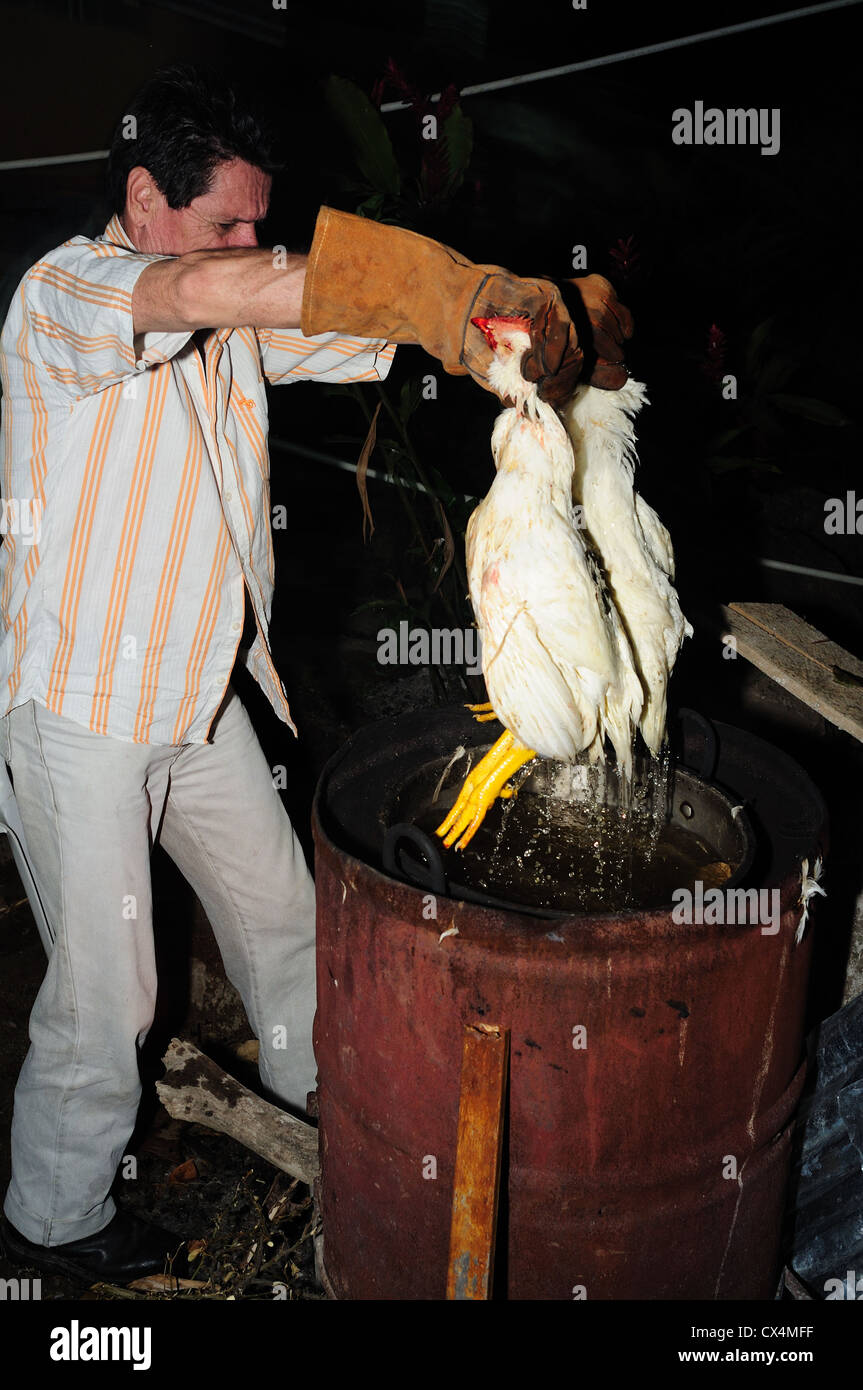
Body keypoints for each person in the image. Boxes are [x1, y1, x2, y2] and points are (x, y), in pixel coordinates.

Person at [0, 65, 632, 1285]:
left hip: (193, 699)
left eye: (260, 222)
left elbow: (347, 318)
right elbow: (200, 285)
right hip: (76, 713)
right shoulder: (65, 296)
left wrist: (514, 322)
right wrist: (436, 291)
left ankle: (338, 1107)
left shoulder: (225, 313)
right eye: (228, 219)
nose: (254, 243)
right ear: (144, 197)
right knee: (106, 997)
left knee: (287, 922)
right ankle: (53, 1227)